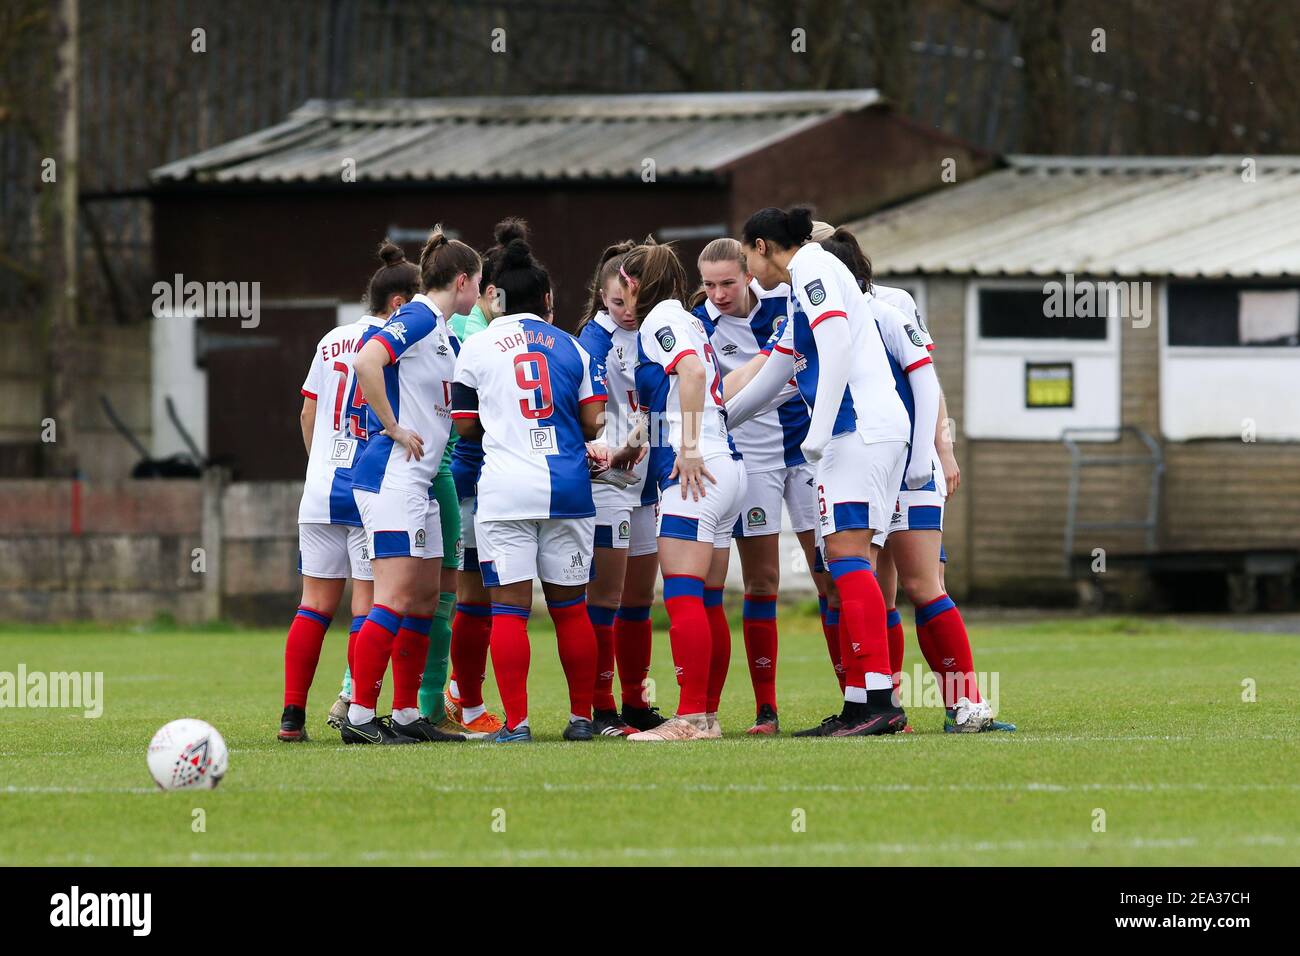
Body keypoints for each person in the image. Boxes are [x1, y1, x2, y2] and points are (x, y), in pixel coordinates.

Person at [728, 205, 913, 737]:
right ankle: (866, 699)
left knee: (846, 558)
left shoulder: (811, 266)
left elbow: (836, 344)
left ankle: (877, 700)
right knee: (849, 559)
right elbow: (778, 373)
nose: (748, 271)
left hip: (857, 431)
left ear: (763, 246)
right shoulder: (804, 285)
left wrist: (819, 430)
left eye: (746, 257)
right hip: (870, 432)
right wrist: (718, 422)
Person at [820, 229, 1014, 733]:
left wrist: (939, 450)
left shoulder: (889, 307)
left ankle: (964, 702)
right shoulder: (814, 317)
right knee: (876, 591)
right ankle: (885, 704)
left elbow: (927, 379)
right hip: (865, 462)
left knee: (923, 583)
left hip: (906, 465)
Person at [451, 236, 606, 743]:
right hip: (567, 489)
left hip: (505, 492)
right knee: (571, 610)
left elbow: (466, 427)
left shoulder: (476, 345)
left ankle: (516, 724)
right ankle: (581, 718)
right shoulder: (574, 346)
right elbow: (592, 423)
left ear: (495, 298)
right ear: (546, 299)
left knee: (509, 612)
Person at [340, 227, 481, 744]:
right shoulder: (420, 314)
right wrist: (394, 425)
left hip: (419, 484)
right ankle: (359, 717)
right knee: (394, 598)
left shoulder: (443, 330)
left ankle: (404, 715)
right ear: (463, 282)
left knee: (424, 600)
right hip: (393, 477)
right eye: (477, 286)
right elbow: (366, 360)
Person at [608, 242, 747, 742]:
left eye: (625, 282)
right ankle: (705, 716)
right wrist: (627, 448)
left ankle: (688, 719)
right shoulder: (685, 317)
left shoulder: (660, 318)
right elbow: (665, 399)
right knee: (707, 598)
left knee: (684, 595)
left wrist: (686, 448)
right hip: (725, 467)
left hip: (698, 470)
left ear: (635, 284)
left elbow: (691, 372)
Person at [279, 241, 417, 741]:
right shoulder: (400, 344)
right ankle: (360, 710)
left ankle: (292, 717)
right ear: (400, 304)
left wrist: (318, 464)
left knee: (312, 605)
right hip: (369, 487)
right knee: (367, 607)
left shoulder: (331, 339)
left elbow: (307, 411)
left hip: (319, 488)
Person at [691, 238, 827, 735]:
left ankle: (859, 699)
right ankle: (765, 711)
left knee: (829, 576)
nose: (719, 294)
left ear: (749, 274)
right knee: (762, 583)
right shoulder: (697, 324)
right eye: (709, 285)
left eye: (728, 282)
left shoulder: (785, 301)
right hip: (752, 462)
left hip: (807, 452)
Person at [576, 241, 667, 736]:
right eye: (617, 302)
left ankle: (635, 702)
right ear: (601, 298)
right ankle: (600, 706)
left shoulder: (658, 332)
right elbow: (587, 420)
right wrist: (612, 452)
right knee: (605, 599)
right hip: (609, 483)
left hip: (647, 482)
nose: (628, 312)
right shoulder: (592, 341)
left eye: (637, 301)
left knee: (639, 600)